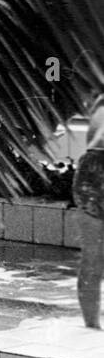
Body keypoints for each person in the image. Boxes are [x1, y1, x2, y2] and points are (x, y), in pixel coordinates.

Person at [75, 93, 104, 328]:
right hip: (95, 167)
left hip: (91, 168)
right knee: (92, 259)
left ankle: (91, 327)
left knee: (91, 257)